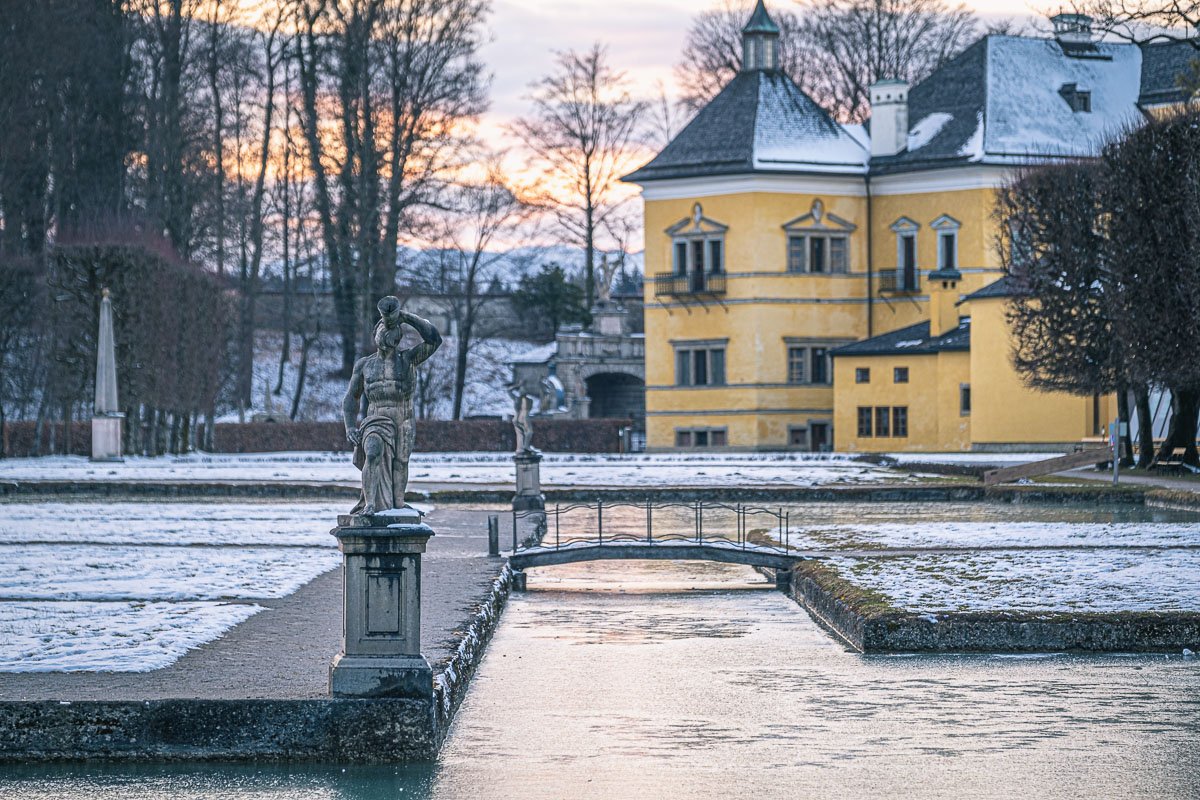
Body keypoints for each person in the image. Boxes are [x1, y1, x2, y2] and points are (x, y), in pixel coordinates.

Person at [343, 297, 442, 514]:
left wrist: (405, 317)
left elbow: (434, 340)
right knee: (373, 452)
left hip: (403, 417)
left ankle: (398, 504)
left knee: (401, 462)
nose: (387, 332)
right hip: (375, 419)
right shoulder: (365, 365)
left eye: (393, 329)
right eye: (382, 328)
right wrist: (350, 426)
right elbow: (351, 397)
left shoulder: (408, 360)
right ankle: (369, 504)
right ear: (375, 334)